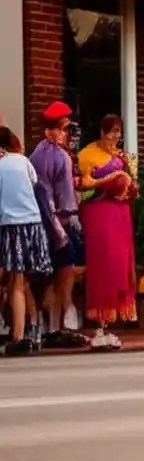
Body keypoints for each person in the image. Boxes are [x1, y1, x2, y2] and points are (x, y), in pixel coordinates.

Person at [76, 115, 138, 349]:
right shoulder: (87, 155)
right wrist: (113, 177)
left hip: (120, 214)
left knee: (120, 266)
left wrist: (130, 187)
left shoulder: (121, 157)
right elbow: (84, 185)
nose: (114, 137)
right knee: (104, 264)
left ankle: (109, 327)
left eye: (118, 132)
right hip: (99, 213)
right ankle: (98, 326)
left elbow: (130, 184)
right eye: (110, 131)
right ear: (101, 132)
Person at [29, 102, 85, 342]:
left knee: (62, 272)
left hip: (61, 219)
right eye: (62, 128)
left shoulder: (52, 154)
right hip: (57, 222)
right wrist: (59, 230)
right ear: (50, 130)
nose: (66, 134)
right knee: (61, 272)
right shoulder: (48, 156)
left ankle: (55, 322)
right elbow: (45, 196)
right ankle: (57, 322)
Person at [0, 127, 54, 355]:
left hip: (9, 224)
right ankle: (24, 334)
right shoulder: (23, 161)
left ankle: (19, 335)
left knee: (14, 281)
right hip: (32, 223)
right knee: (20, 281)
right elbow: (34, 186)